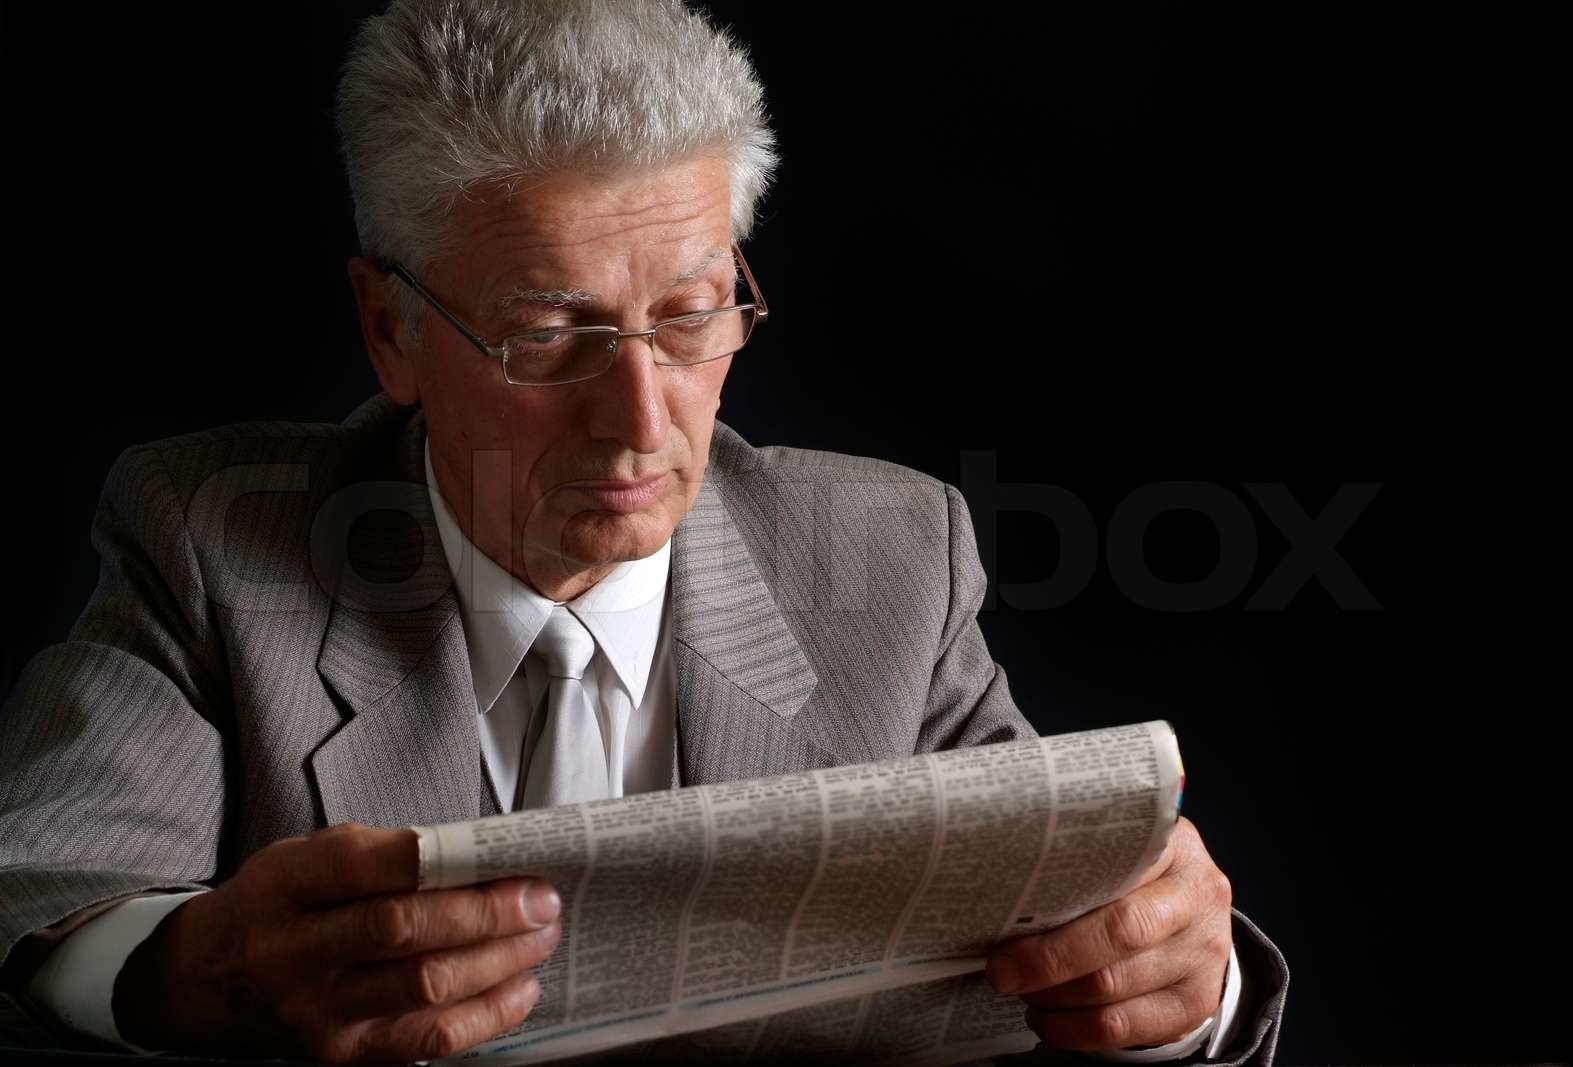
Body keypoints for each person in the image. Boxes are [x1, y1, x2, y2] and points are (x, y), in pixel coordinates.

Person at [0, 1, 1286, 1063]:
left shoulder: (892, 556)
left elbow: (1087, 923)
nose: (639, 419)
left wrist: (1186, 986)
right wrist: (186, 975)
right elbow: (37, 903)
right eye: (549, 335)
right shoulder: (213, 540)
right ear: (391, 329)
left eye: (689, 315)